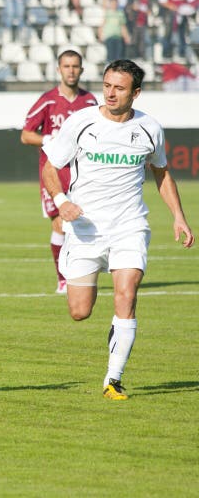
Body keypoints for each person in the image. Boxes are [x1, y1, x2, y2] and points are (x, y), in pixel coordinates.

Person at [41, 59, 194, 400]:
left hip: (129, 225)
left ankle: (113, 379)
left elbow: (162, 171)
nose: (110, 93)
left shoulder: (150, 129)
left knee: (127, 293)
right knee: (80, 311)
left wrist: (178, 216)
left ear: (135, 93)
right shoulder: (81, 122)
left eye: (119, 88)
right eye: (107, 85)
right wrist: (61, 200)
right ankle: (108, 342)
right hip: (84, 229)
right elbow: (51, 166)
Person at [20, 50, 98, 295]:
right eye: (67, 66)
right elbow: (26, 135)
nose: (71, 70)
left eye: (75, 66)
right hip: (54, 173)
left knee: (84, 223)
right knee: (59, 223)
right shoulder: (48, 101)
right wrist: (48, 139)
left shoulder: (90, 102)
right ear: (59, 69)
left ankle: (85, 273)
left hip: (82, 173)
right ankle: (63, 279)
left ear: (82, 70)